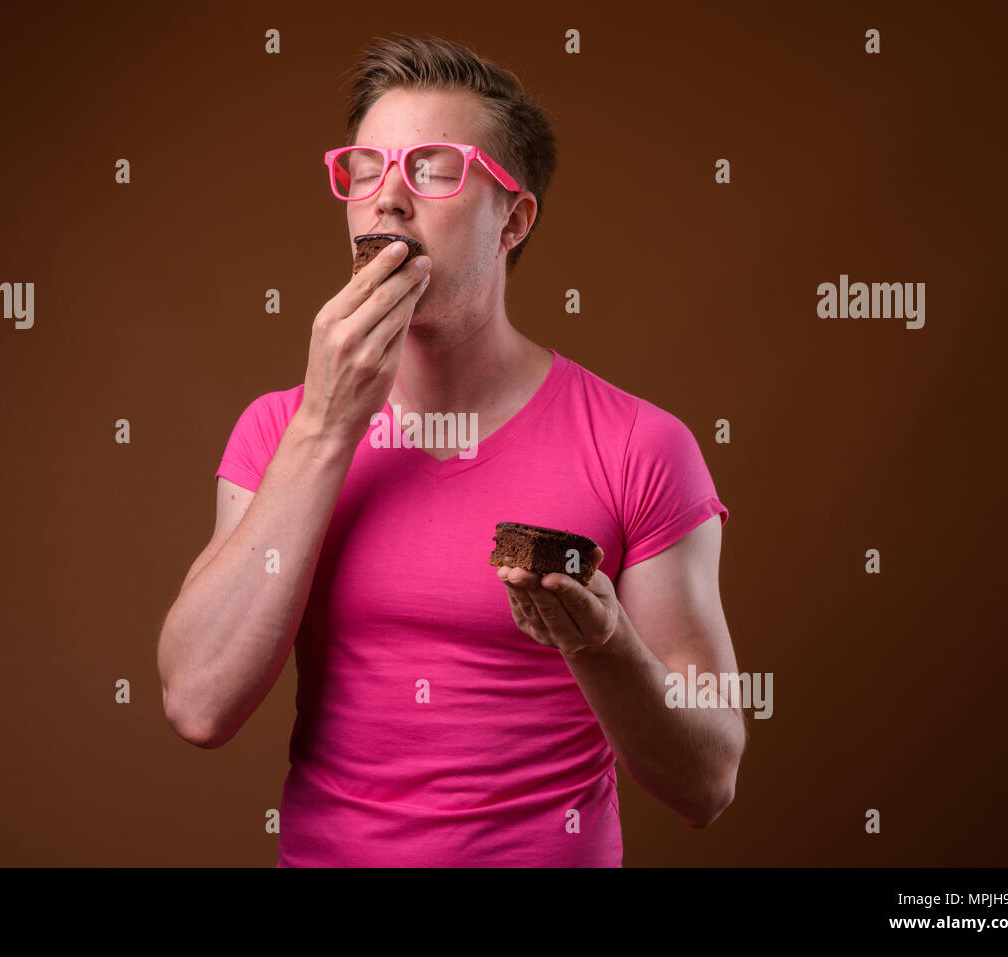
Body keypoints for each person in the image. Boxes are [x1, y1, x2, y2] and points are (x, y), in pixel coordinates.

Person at [157, 33, 744, 867]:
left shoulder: (642, 446)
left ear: (514, 218)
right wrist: (326, 427)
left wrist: (605, 643)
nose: (388, 198)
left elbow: (708, 779)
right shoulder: (276, 432)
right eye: (365, 167)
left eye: (434, 168)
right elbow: (197, 702)